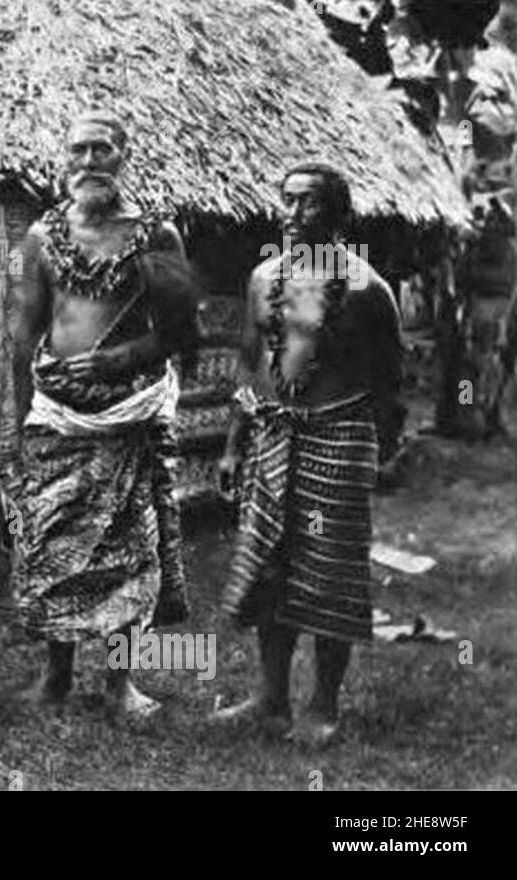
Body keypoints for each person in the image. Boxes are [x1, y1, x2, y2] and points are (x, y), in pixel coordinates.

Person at [6, 114, 198, 713]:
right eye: (79, 150)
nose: (89, 161)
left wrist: (119, 359)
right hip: (56, 417)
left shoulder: (157, 236)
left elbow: (181, 334)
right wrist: (19, 423)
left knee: (127, 553)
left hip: (127, 415)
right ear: (65, 159)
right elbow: (22, 332)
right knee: (55, 545)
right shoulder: (41, 238)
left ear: (124, 156)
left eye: (102, 149)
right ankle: (55, 676)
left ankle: (121, 682)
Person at [213, 162, 403, 747]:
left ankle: (323, 703)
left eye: (309, 204)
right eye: (287, 201)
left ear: (340, 214)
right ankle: (270, 697)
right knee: (269, 567)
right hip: (271, 437)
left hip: (337, 441)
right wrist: (231, 446)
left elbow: (390, 383)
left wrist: (378, 454)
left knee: (329, 571)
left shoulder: (369, 291)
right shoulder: (262, 277)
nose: (293, 215)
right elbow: (251, 365)